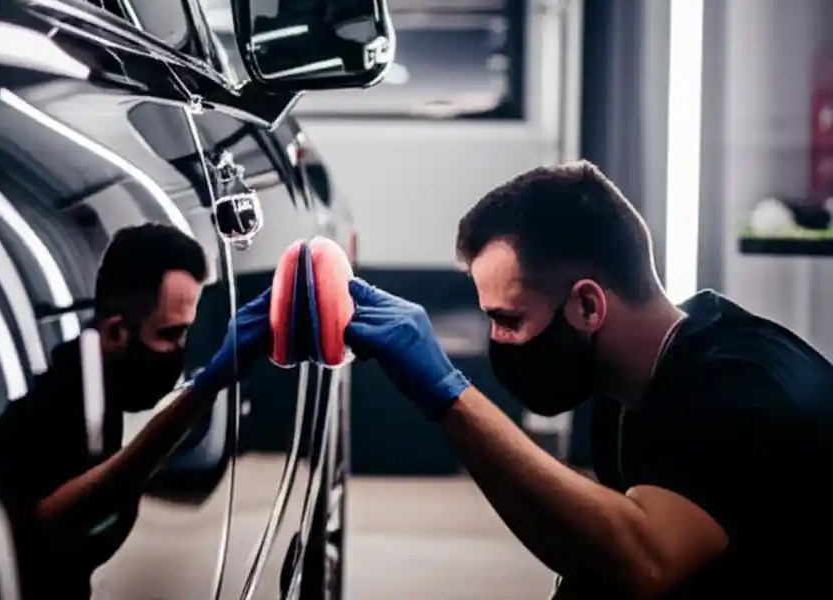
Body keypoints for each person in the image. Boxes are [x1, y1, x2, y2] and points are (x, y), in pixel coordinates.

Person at [344, 161, 833, 598]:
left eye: (509, 320)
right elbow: (591, 558)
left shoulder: (741, 392)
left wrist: (445, 393)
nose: (496, 339)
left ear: (587, 306)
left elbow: (643, 563)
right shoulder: (629, 389)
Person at [0, 223, 270, 599]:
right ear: (116, 333)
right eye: (169, 334)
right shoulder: (56, 399)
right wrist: (203, 391)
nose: (180, 350)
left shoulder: (98, 385)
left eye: (186, 334)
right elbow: (46, 523)